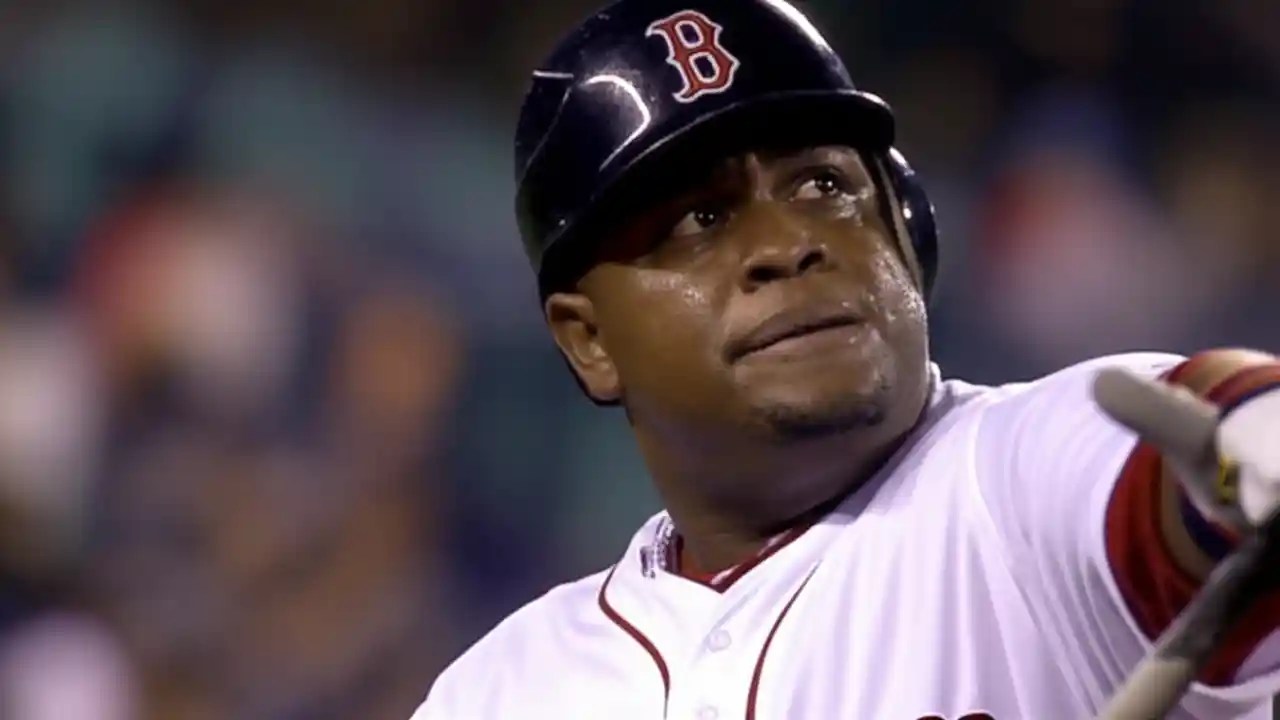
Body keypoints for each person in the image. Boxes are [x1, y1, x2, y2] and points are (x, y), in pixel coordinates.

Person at [411, 1, 1280, 717]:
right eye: (698, 219)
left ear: (906, 233)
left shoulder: (1010, 482)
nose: (787, 245)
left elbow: (1184, 448)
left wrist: (1248, 442)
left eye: (824, 186)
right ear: (590, 341)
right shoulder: (500, 692)